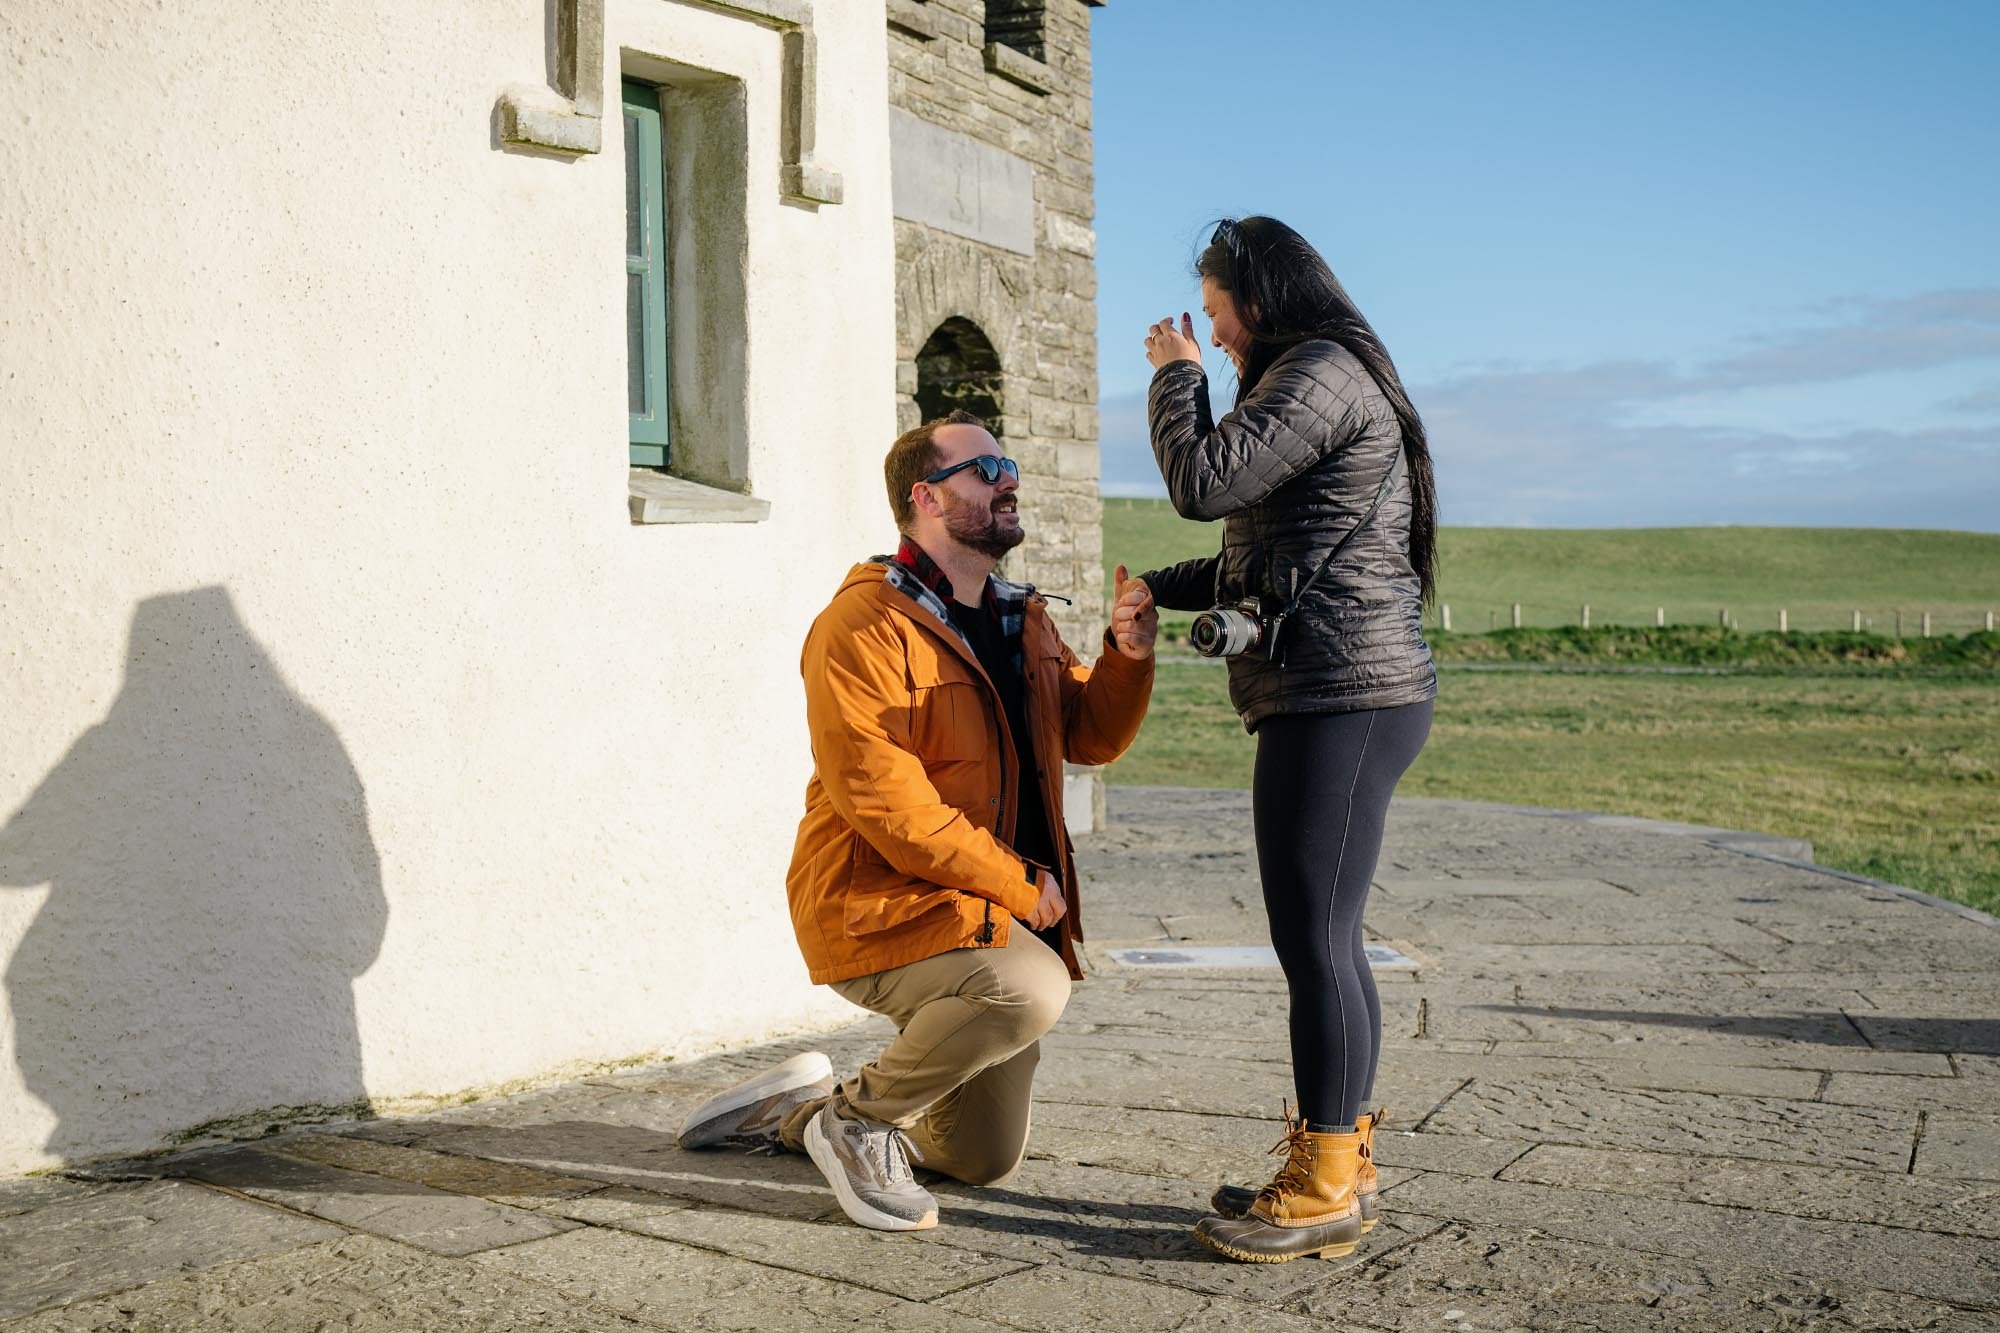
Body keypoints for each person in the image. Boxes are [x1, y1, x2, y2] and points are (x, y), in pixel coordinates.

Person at [676, 410, 1158, 1232]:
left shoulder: (1022, 619)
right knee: (1026, 991)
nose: (1008, 478)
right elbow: (889, 807)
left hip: (977, 914)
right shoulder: (860, 628)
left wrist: (1126, 656)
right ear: (925, 498)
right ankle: (857, 1124)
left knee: (981, 1155)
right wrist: (1019, 882)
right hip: (876, 906)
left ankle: (799, 1112)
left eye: (1008, 464)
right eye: (985, 469)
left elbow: (1089, 734)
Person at [1137, 216, 1439, 1263]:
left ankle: (1322, 1187)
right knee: (1326, 939)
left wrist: (1175, 381)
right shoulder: (1312, 380)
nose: (1211, 337)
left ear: (1256, 302)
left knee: (1312, 942)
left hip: (1339, 697)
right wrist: (1153, 590)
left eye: (1215, 318)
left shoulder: (1315, 372)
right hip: (1335, 690)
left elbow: (1200, 486)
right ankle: (1336, 1155)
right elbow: (1264, 554)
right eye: (1204, 333)